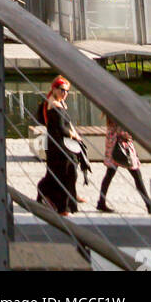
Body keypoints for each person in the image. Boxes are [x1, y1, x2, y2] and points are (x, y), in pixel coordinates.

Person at [36, 76, 87, 216]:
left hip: (56, 144)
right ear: (54, 89)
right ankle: (63, 208)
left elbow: (43, 119)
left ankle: (46, 193)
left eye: (67, 91)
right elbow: (61, 128)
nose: (65, 93)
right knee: (66, 173)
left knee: (57, 173)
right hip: (59, 146)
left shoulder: (53, 102)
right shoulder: (54, 106)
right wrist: (74, 135)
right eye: (62, 90)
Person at [97, 116, 151, 214]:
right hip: (122, 148)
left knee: (109, 175)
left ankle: (101, 202)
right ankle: (149, 205)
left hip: (113, 147)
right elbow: (123, 132)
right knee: (137, 176)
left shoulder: (112, 112)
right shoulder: (118, 113)